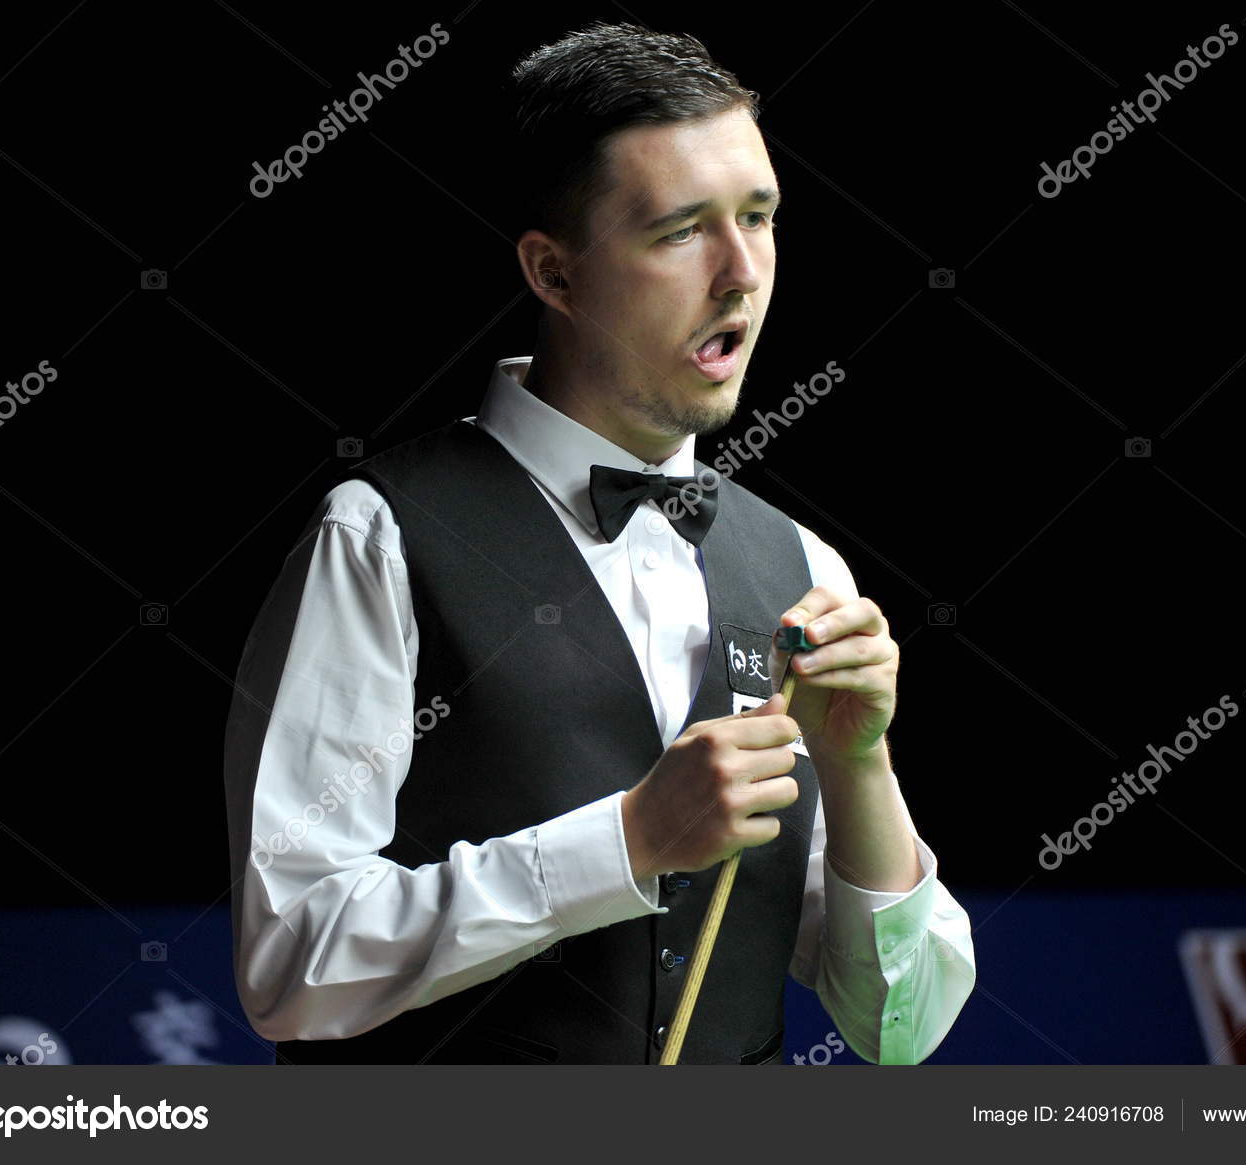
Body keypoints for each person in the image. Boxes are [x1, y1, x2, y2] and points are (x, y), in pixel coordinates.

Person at [222, 21, 974, 1065]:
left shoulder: (800, 566)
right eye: (680, 231)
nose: (741, 273)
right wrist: (627, 842)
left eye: (760, 217)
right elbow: (291, 962)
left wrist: (860, 768)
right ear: (554, 274)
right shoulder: (382, 535)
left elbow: (900, 1029)